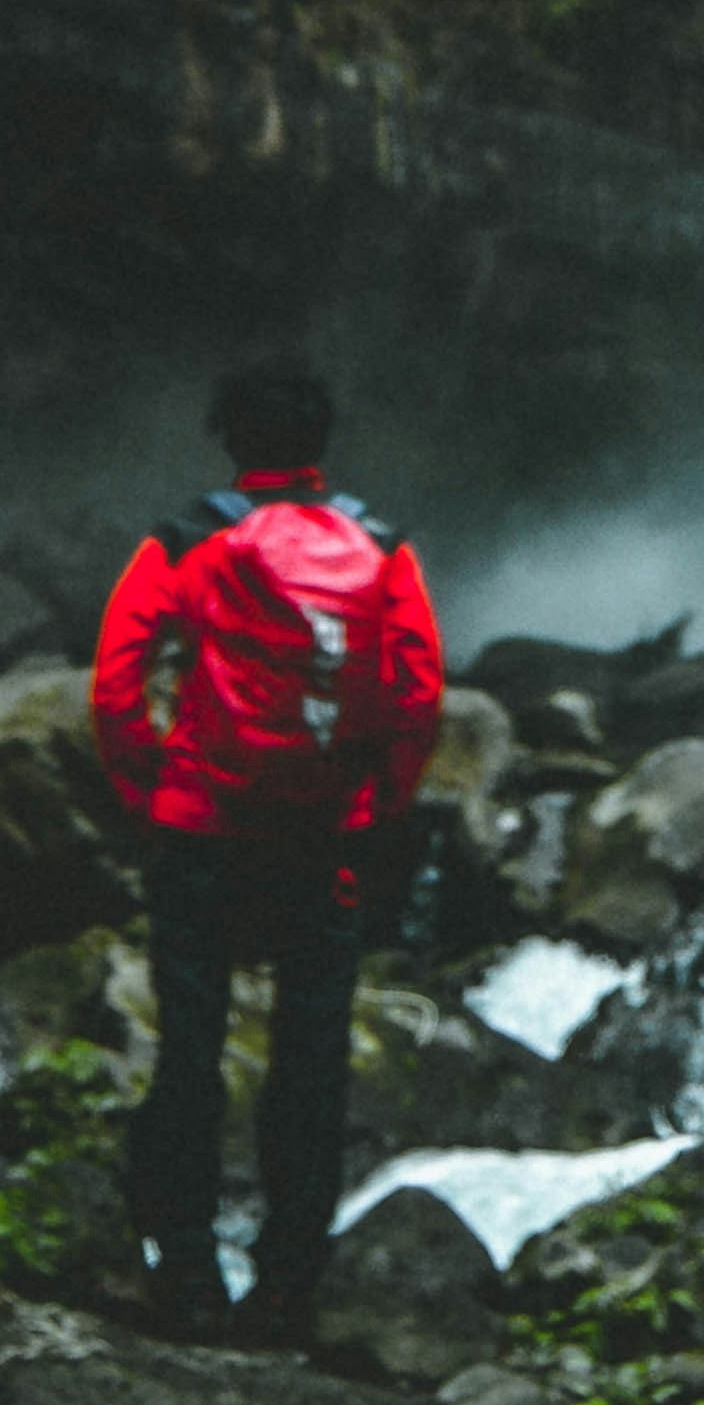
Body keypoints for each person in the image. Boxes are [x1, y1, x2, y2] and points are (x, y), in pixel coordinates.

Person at [89, 356, 446, 1349]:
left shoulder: (188, 538)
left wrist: (148, 792)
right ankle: (288, 1282)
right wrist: (374, 809)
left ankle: (189, 1268)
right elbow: (417, 696)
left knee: (191, 1048)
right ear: (320, 444)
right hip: (325, 838)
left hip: (201, 826)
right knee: (310, 1058)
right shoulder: (382, 545)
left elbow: (117, 679)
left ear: (228, 438)